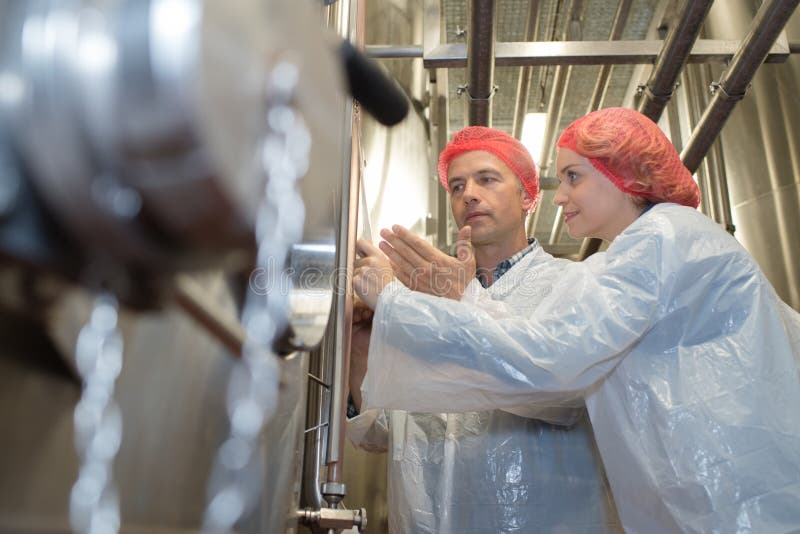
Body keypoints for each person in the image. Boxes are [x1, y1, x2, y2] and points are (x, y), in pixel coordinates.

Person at [354, 108, 800, 533]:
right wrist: (368, 335)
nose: (561, 194)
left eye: (572, 177)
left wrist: (404, 301)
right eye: (456, 186)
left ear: (624, 173)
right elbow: (397, 423)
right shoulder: (643, 254)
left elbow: (551, 370)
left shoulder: (626, 260)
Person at [347, 126, 622, 533]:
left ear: (529, 196)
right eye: (457, 186)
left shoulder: (576, 285)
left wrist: (460, 301)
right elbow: (383, 432)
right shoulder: (421, 305)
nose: (469, 194)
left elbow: (559, 393)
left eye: (487, 179)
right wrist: (362, 343)